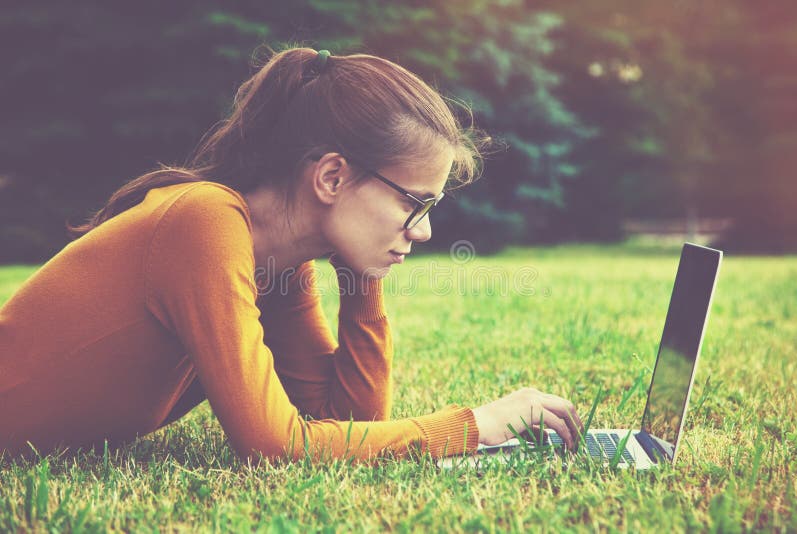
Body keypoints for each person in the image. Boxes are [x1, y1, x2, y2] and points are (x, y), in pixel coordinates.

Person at [0, 47, 582, 463]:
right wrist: (475, 426)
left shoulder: (278, 265)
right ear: (332, 176)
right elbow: (275, 445)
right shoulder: (205, 222)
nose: (424, 231)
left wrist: (363, 280)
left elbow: (346, 424)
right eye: (414, 203)